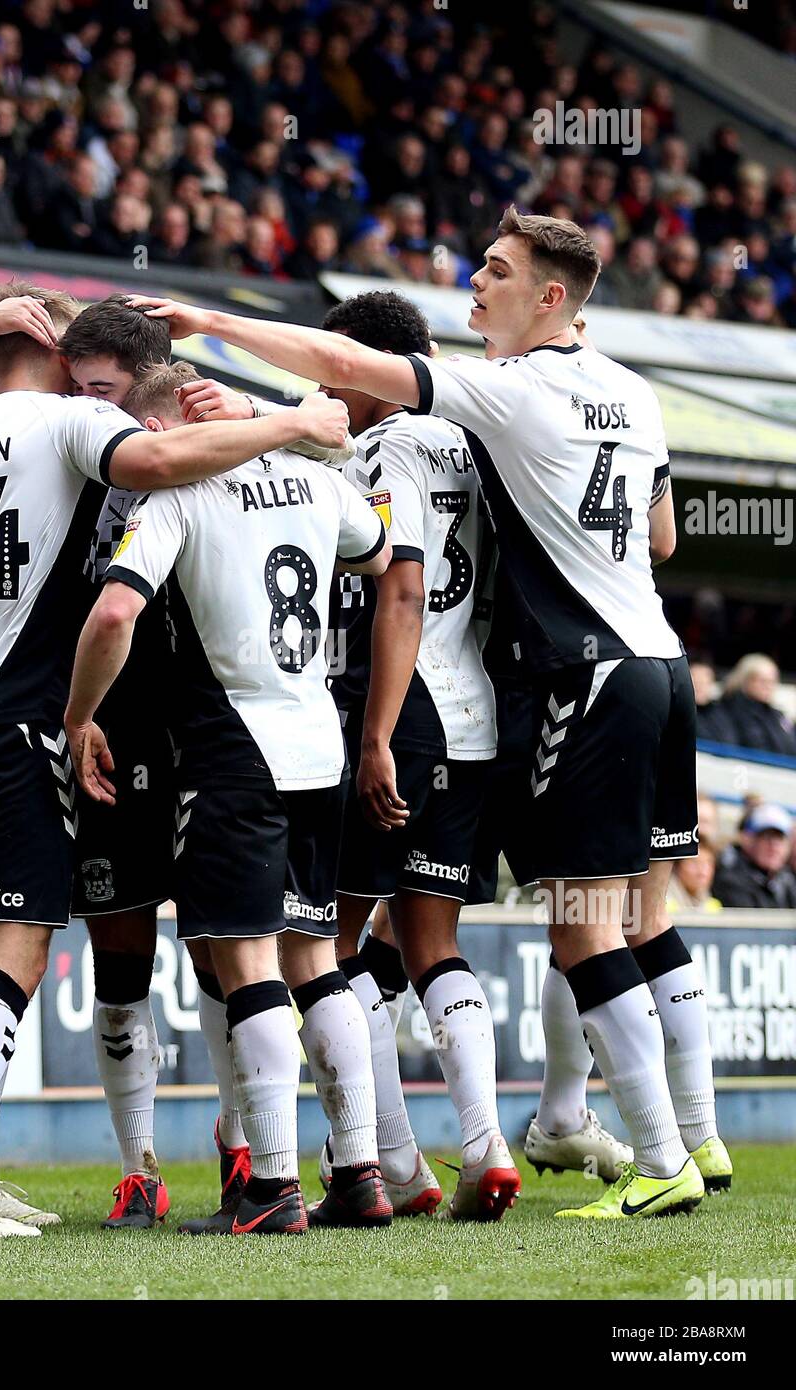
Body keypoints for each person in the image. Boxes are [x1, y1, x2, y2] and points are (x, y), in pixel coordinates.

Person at [126, 202, 729, 1218]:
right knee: (607, 914)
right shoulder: (632, 392)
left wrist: (212, 319)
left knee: (557, 926)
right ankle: (647, 1137)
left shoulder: (499, 393)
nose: (473, 288)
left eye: (493, 272)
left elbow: (356, 376)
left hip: (566, 677)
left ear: (548, 296)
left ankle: (638, 1156)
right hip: (657, 665)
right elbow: (663, 536)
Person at [0, 281, 350, 1240]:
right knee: (13, 956)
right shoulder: (64, 424)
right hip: (18, 716)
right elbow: (162, 455)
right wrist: (286, 421)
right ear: (60, 360)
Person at [66, 359, 392, 1236]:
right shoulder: (315, 481)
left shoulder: (171, 500)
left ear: (173, 429)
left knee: (245, 966)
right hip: (318, 743)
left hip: (232, 752)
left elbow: (111, 616)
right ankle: (359, 1173)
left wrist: (80, 713)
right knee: (316, 962)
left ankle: (273, 1187)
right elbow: (381, 555)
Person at [314, 288, 518, 1222]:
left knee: (336, 940)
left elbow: (399, 593)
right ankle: (485, 1143)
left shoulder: (386, 450)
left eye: (333, 363)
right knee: (434, 944)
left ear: (365, 364)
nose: (326, 383)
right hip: (477, 714)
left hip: (405, 707)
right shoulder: (475, 444)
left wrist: (375, 736)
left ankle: (391, 1162)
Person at [697, 654, 796, 758]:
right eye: (762, 681)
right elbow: (757, 749)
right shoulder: (731, 710)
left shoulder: (775, 714)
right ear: (745, 681)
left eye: (772, 681)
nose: (768, 686)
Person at [713, 804, 796, 909]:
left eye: (779, 838)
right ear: (748, 840)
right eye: (766, 837)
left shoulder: (787, 880)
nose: (773, 846)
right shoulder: (730, 879)